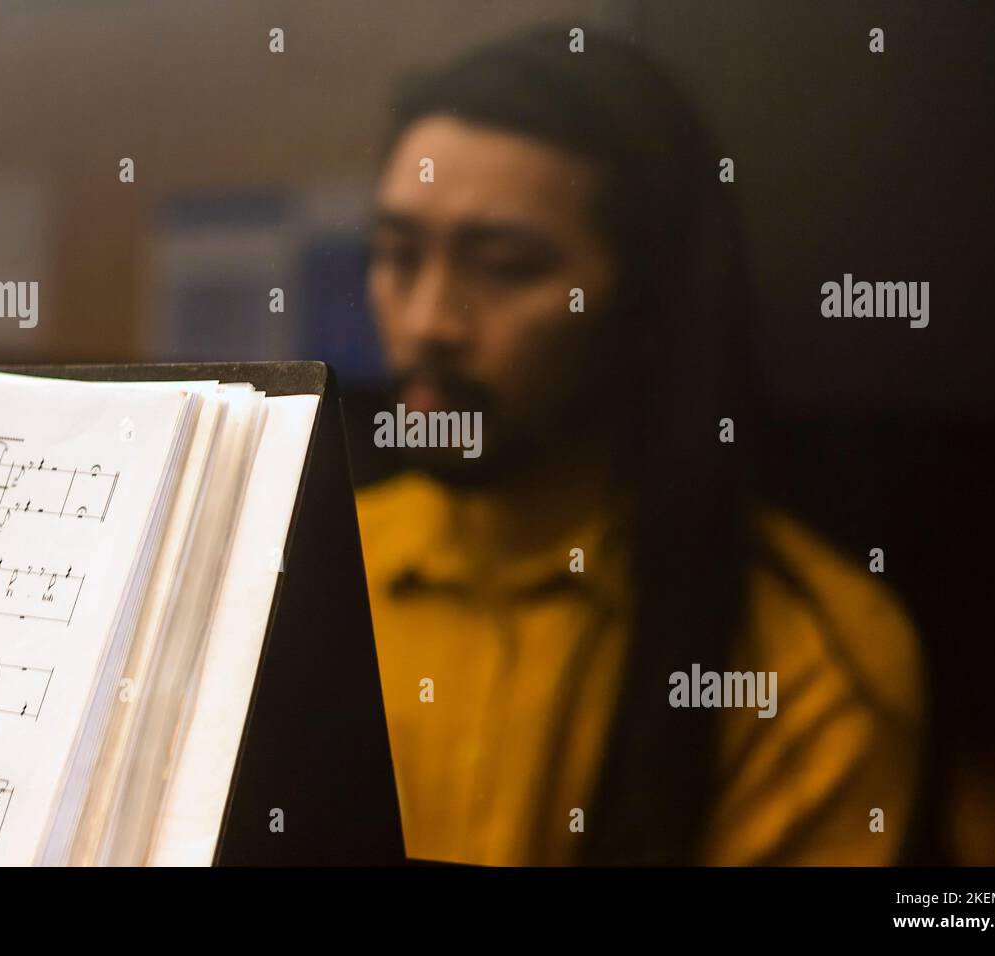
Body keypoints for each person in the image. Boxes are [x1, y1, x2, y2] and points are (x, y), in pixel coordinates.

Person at [356, 27, 923, 865]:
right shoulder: (299, 561)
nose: (427, 320)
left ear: (648, 301)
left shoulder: (803, 659)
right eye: (398, 255)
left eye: (505, 266)